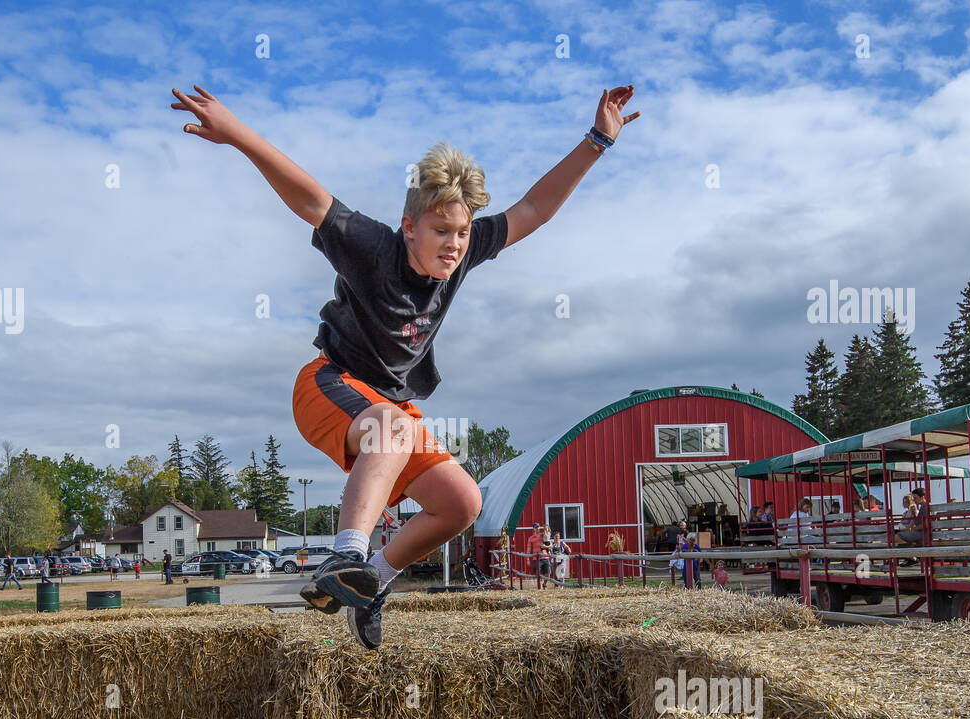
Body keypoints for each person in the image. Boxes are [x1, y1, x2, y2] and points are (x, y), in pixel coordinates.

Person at [171, 81, 640, 649]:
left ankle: (370, 583)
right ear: (409, 225)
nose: (454, 245)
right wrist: (236, 134)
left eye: (463, 234)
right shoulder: (373, 246)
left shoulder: (463, 256)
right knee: (392, 428)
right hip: (329, 384)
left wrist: (597, 140)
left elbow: (535, 209)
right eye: (441, 231)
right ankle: (342, 557)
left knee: (462, 503)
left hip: (390, 407)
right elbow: (309, 198)